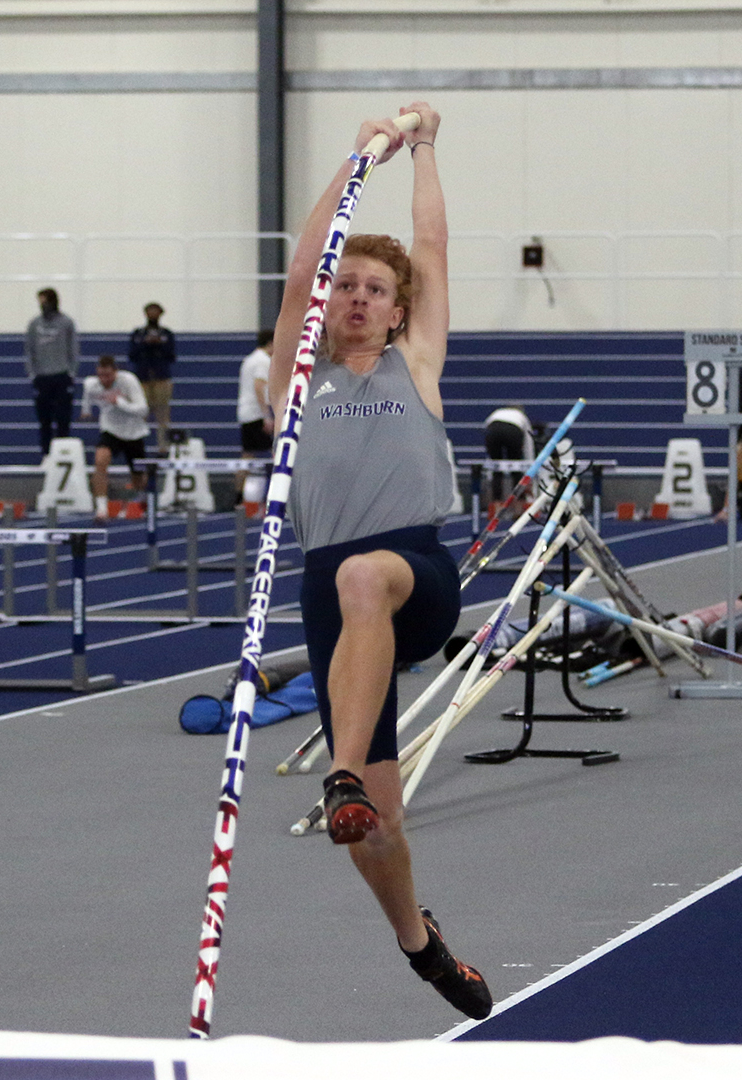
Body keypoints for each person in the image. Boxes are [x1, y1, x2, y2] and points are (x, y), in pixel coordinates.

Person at [272, 103, 490, 1021]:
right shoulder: (298, 374)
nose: (357, 297)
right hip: (328, 590)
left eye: (375, 289)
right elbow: (305, 259)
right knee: (380, 833)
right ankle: (420, 942)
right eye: (346, 286)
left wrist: (422, 147)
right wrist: (356, 156)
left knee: (368, 575)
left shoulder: (419, 364)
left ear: (399, 310)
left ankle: (340, 774)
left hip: (414, 569)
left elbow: (432, 245)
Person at [81, 355, 149, 523]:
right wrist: (86, 411)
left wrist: (119, 402)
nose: (105, 380)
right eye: (101, 376)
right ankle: (102, 509)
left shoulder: (128, 381)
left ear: (116, 373)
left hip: (134, 432)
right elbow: (86, 401)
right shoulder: (91, 385)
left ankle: (143, 502)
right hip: (110, 430)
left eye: (108, 376)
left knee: (138, 477)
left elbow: (143, 410)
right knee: (100, 461)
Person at [26, 288, 79, 455]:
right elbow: (29, 350)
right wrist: (33, 374)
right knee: (44, 420)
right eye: (40, 302)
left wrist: (71, 372)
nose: (42, 305)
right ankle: (46, 454)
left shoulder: (66, 322)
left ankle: (62, 453)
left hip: (62, 375)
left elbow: (74, 348)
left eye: (45, 301)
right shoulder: (34, 324)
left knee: (63, 418)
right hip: (42, 377)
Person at [234, 329, 275, 511]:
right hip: (257, 415)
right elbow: (259, 386)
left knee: (247, 457)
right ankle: (270, 501)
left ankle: (238, 500)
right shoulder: (263, 361)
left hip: (246, 413)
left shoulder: (249, 359)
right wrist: (266, 415)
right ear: (271, 343)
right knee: (276, 456)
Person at [129, 302, 178, 453]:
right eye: (150, 311)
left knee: (163, 416)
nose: (152, 314)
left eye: (155, 311)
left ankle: (163, 448)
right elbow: (132, 355)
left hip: (161, 378)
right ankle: (137, 447)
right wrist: (145, 343)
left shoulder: (167, 334)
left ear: (161, 313)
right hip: (142, 379)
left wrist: (158, 345)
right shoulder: (138, 334)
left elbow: (172, 356)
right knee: (140, 414)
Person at [482, 404, 534, 507]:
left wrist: (490, 463)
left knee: (496, 469)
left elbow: (487, 431)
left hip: (493, 430)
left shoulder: (497, 413)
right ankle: (519, 502)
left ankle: (496, 503)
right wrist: (530, 467)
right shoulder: (521, 417)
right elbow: (529, 445)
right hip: (513, 430)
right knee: (516, 469)